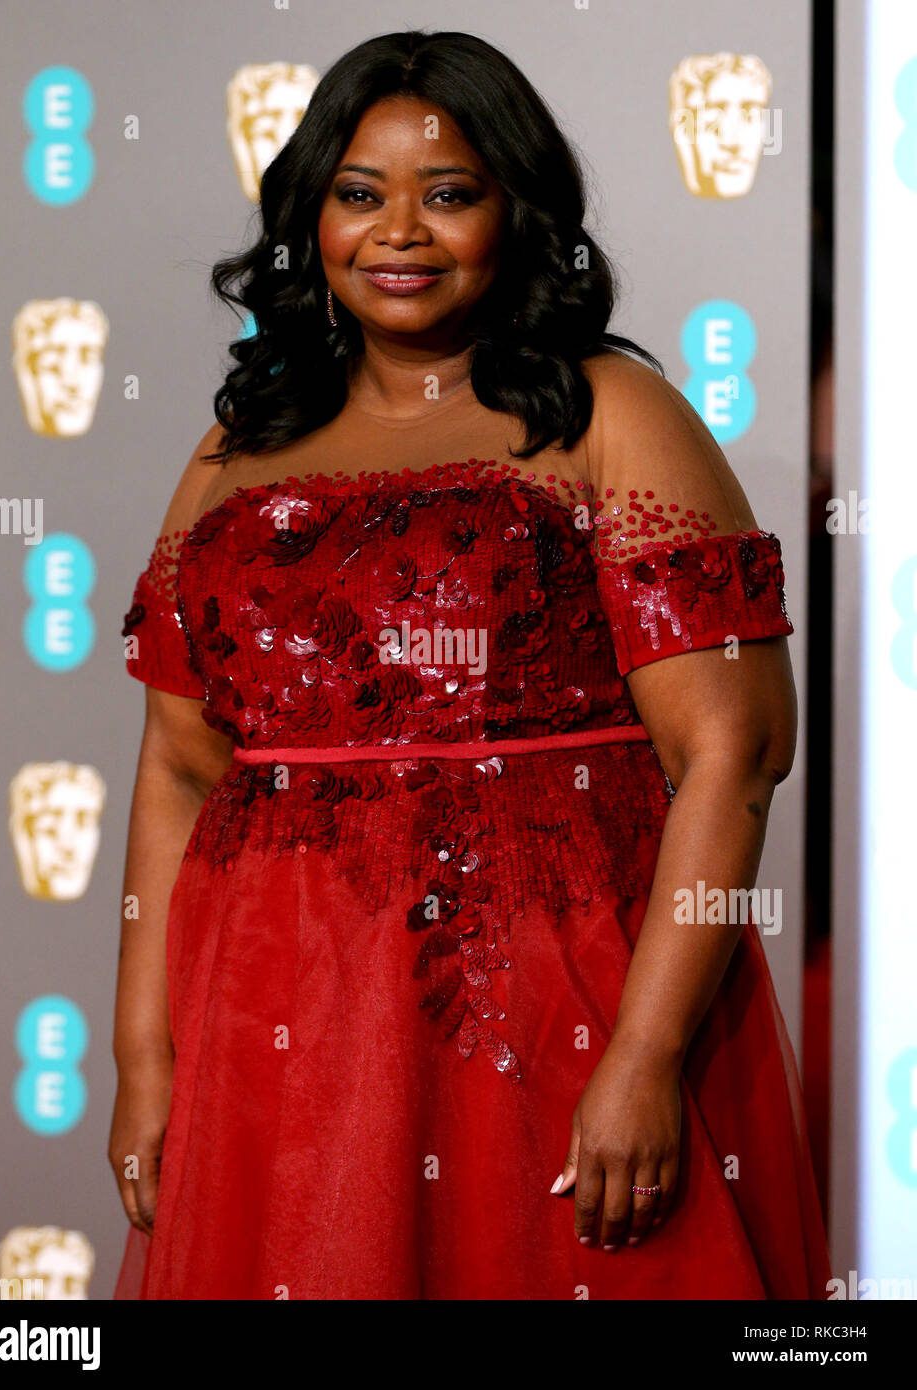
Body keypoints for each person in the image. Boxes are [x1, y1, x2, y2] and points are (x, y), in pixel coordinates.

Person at [110, 29, 830, 1300]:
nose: (399, 231)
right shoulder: (238, 446)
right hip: (275, 1028)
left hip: (547, 1020)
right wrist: (144, 1061)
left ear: (516, 213)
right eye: (356, 194)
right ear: (308, 221)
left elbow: (733, 751)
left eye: (447, 194)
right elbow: (176, 766)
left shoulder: (608, 414)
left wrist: (646, 1053)